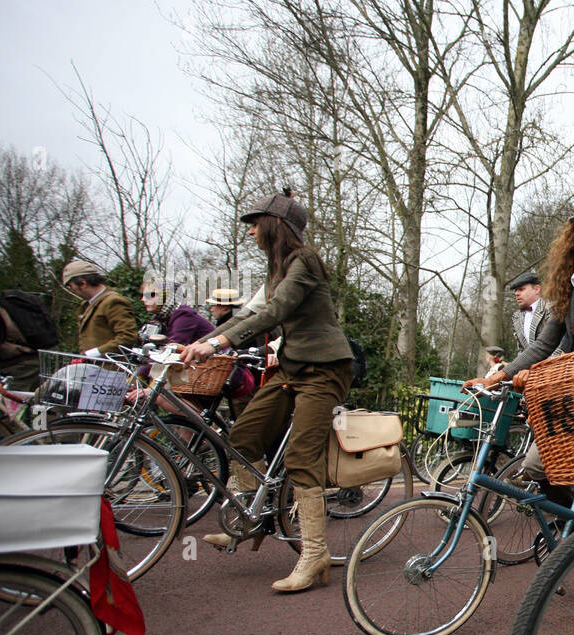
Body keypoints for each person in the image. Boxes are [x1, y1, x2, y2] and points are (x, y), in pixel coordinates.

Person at [181, 189, 356, 593]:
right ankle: (252, 518)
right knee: (242, 436)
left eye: (256, 224)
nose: (251, 232)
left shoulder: (305, 261)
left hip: (325, 369)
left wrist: (217, 345)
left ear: (276, 226)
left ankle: (314, 554)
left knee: (300, 456)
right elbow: (251, 313)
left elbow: (276, 313)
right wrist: (201, 344)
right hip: (293, 366)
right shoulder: (276, 271)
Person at [467, 196, 574, 522]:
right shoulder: (568, 286)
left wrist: (546, 374)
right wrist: (497, 376)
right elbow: (544, 345)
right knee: (535, 466)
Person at [61, 259, 139, 357]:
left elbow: (128, 337)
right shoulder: (87, 304)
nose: (72, 290)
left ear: (83, 283)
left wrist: (93, 353)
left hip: (110, 369)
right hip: (93, 368)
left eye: (70, 286)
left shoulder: (113, 301)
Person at [509, 271, 550, 353]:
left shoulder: (551, 308)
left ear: (537, 289)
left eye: (521, 289)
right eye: (516, 290)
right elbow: (521, 350)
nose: (516, 293)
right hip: (530, 364)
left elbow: (559, 344)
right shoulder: (516, 317)